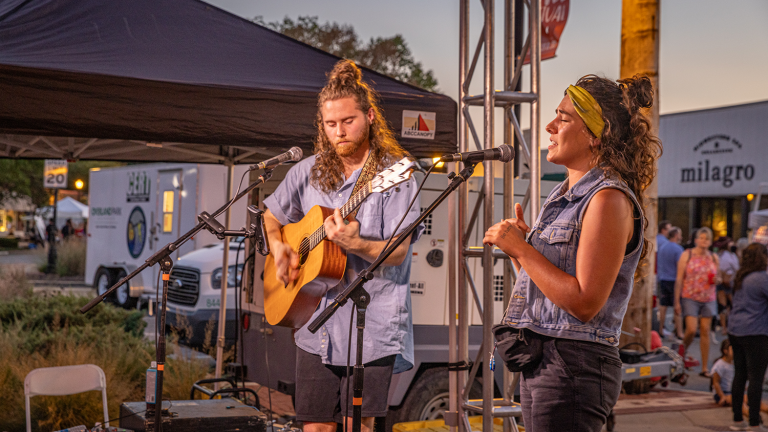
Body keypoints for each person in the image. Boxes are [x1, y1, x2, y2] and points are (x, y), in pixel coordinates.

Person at [483, 74, 661, 431]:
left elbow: (584, 303)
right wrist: (524, 252)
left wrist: (523, 250)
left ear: (597, 134)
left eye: (563, 119)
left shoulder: (607, 199)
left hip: (574, 363)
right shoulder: (566, 196)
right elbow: (554, 295)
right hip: (549, 358)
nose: (550, 126)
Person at [263, 60, 422, 432]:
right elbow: (270, 216)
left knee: (358, 426)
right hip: (315, 324)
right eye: (330, 124)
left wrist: (357, 244)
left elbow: (399, 252)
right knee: (315, 427)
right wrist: (278, 247)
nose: (339, 131)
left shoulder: (393, 175)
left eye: (348, 121)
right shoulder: (306, 171)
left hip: (372, 325)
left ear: (369, 116)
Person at [728, 243, 768, 431]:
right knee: (756, 378)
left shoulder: (740, 276)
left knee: (740, 375)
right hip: (756, 332)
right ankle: (754, 422)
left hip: (735, 330)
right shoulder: (761, 279)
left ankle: (737, 419)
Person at [674, 227, 719, 377]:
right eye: (702, 237)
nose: (704, 241)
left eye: (707, 238)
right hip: (690, 296)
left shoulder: (713, 257)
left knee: (705, 330)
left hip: (709, 297)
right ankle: (682, 352)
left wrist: (718, 280)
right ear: (696, 239)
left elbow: (716, 276)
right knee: (691, 329)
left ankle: (705, 368)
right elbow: (679, 279)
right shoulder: (687, 255)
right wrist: (676, 301)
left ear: (711, 241)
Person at [657, 226, 684, 340]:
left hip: (663, 279)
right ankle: (679, 332)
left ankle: (660, 329)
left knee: (663, 306)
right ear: (676, 235)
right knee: (677, 306)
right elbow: (680, 267)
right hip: (674, 280)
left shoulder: (662, 247)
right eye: (680, 234)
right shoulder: (678, 249)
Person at [715, 236, 739, 335]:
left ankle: (725, 326)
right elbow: (734, 268)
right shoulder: (727, 256)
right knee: (728, 306)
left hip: (725, 282)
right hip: (727, 282)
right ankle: (726, 327)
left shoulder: (722, 255)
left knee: (725, 306)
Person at [711, 339, 734, 406]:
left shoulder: (734, 364)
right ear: (725, 351)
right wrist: (722, 396)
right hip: (722, 393)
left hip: (731, 392)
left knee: (748, 399)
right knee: (743, 400)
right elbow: (716, 382)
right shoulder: (720, 365)